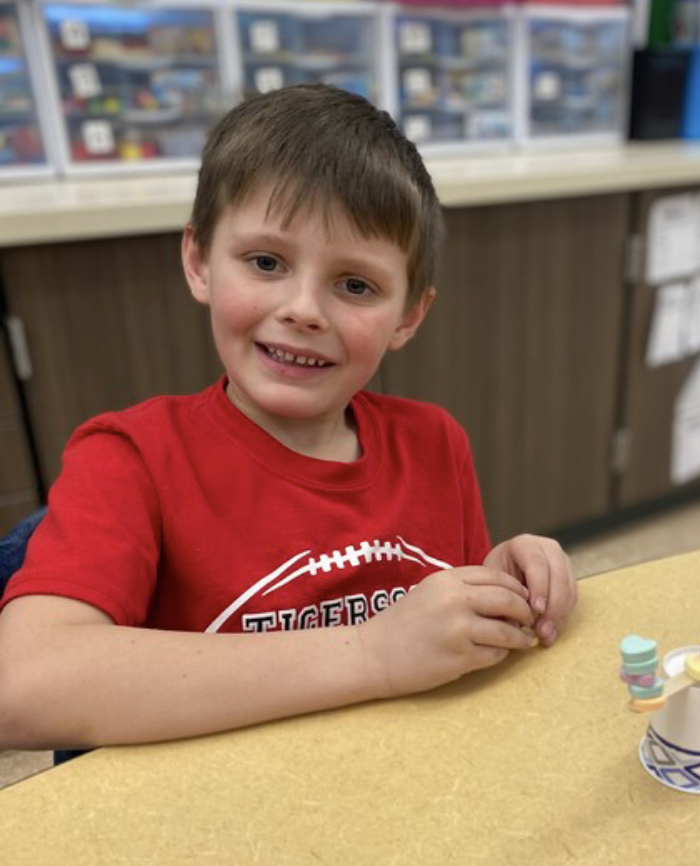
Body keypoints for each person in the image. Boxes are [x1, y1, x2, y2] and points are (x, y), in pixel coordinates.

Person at [0, 84, 577, 752]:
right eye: (266, 262)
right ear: (199, 263)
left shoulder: (435, 441)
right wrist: (374, 652)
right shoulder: (129, 457)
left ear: (409, 315)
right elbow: (25, 687)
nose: (304, 309)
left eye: (355, 285)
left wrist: (503, 583)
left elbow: (449, 643)